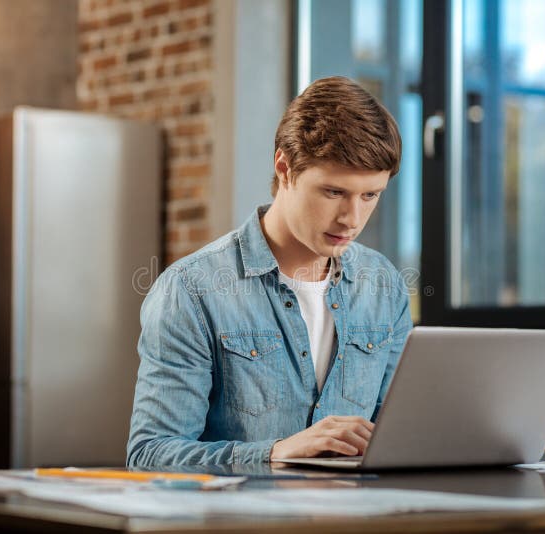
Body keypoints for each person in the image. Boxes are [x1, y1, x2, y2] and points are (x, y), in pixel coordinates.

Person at [127, 76, 412, 466]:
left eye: (370, 196)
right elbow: (150, 454)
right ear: (284, 168)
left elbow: (397, 437)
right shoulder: (192, 291)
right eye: (333, 192)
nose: (352, 218)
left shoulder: (384, 286)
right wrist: (275, 453)